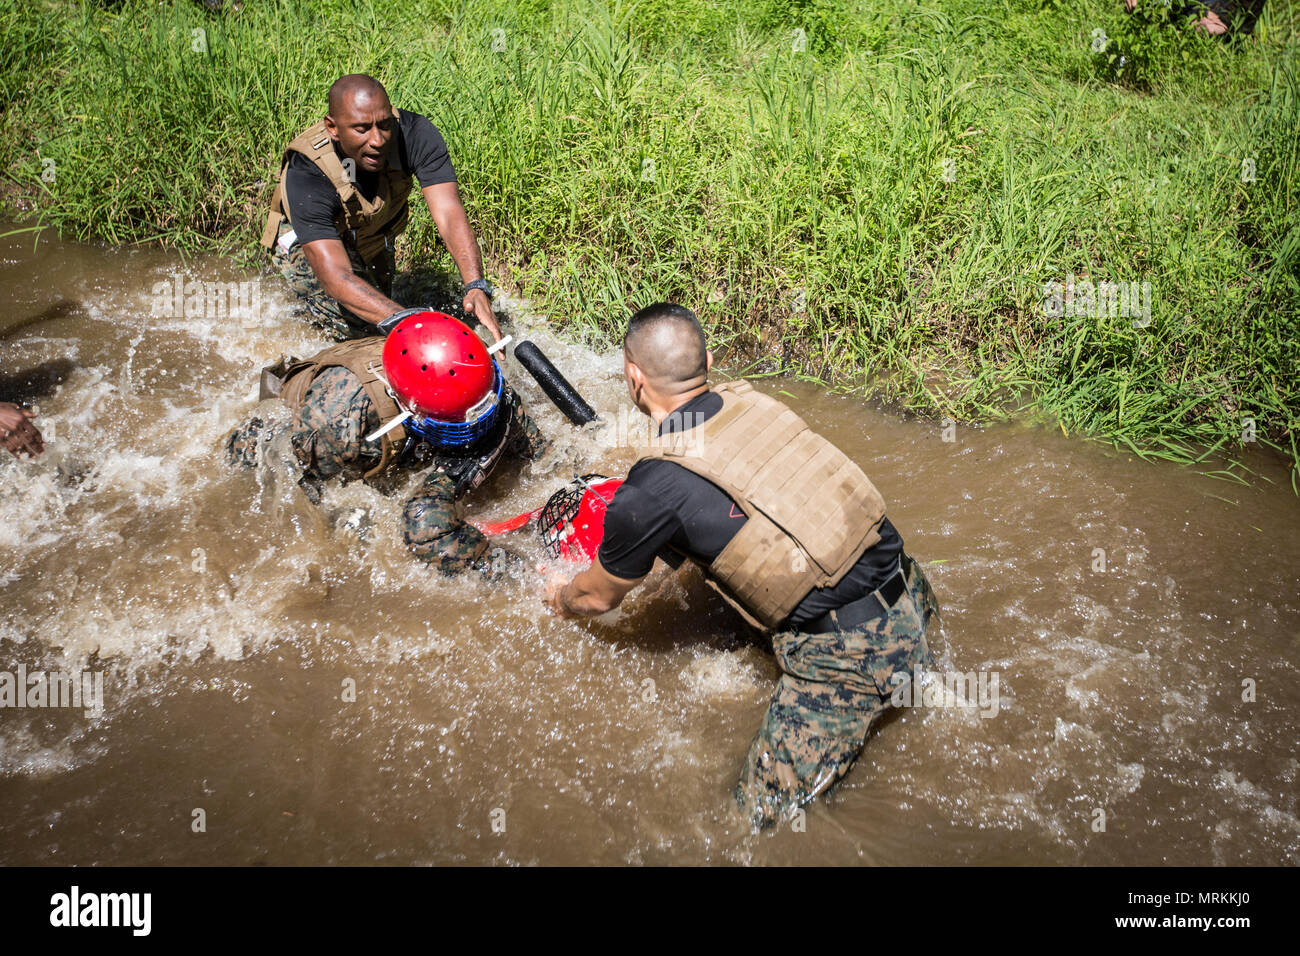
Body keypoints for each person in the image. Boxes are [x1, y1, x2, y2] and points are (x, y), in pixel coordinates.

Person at [540, 303, 941, 827]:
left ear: (633, 378)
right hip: (914, 593)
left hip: (849, 656)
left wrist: (557, 595)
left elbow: (597, 597)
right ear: (709, 360)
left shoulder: (650, 490)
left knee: (752, 825)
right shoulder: (754, 403)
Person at [226, 310, 548, 573]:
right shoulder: (338, 428)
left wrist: (552, 467)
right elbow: (300, 487)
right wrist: (523, 572)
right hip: (307, 428)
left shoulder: (467, 365)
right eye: (464, 425)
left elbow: (512, 417)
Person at [260, 74, 501, 343]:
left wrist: (476, 286)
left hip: (369, 230)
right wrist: (413, 323)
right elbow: (336, 276)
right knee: (369, 333)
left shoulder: (414, 134)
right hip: (306, 242)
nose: (377, 140)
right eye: (362, 129)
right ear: (333, 127)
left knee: (386, 305)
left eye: (384, 125)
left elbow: (449, 214)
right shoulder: (308, 172)